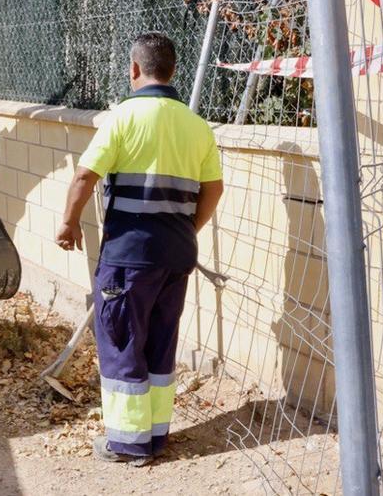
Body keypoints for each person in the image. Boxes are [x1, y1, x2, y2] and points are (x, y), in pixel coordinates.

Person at [56, 32, 224, 466]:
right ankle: (155, 434)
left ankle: (128, 444)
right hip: (177, 255)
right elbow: (214, 188)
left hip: (129, 256)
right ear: (172, 71)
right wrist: (189, 228)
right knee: (161, 342)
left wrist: (69, 223)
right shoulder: (197, 125)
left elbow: (84, 177)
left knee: (122, 339)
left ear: (134, 69)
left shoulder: (122, 118)